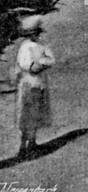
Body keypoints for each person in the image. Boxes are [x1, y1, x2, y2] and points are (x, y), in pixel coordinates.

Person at [11, 14, 54, 158]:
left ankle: (31, 142)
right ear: (32, 34)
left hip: (34, 82)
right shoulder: (28, 47)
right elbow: (28, 65)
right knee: (29, 113)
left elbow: (49, 60)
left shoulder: (35, 46)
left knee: (32, 113)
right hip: (30, 83)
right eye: (36, 33)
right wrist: (39, 65)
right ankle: (25, 145)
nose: (38, 35)